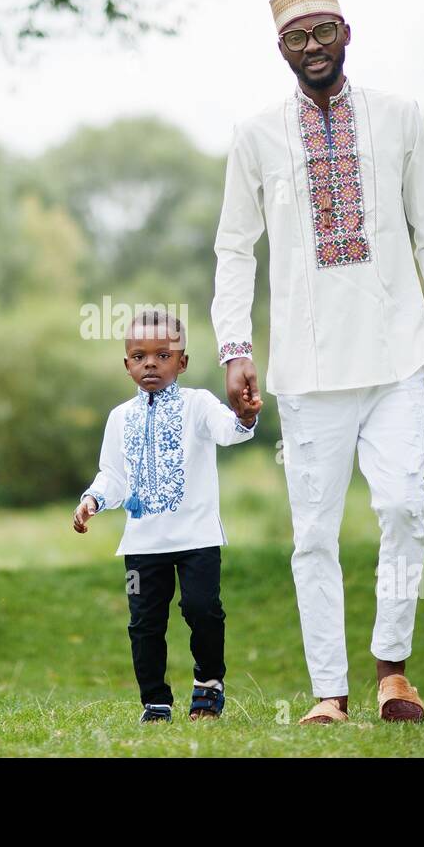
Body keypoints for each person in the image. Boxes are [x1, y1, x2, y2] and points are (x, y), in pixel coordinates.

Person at [210, 0, 424, 725]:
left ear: (347, 34)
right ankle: (330, 691)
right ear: (280, 49)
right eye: (296, 37)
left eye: (323, 31)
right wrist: (237, 347)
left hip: (396, 358)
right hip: (308, 368)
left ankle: (394, 672)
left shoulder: (399, 118)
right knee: (314, 534)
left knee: (402, 507)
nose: (312, 47)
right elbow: (235, 248)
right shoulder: (255, 135)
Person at [74, 308, 262, 723]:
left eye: (162, 355)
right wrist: (93, 500)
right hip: (142, 545)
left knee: (202, 610)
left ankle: (209, 685)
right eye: (139, 356)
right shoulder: (120, 417)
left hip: (197, 539)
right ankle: (155, 701)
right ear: (127, 366)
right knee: (144, 624)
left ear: (183, 361)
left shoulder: (198, 405)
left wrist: (246, 416)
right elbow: (113, 475)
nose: (150, 364)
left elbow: (229, 431)